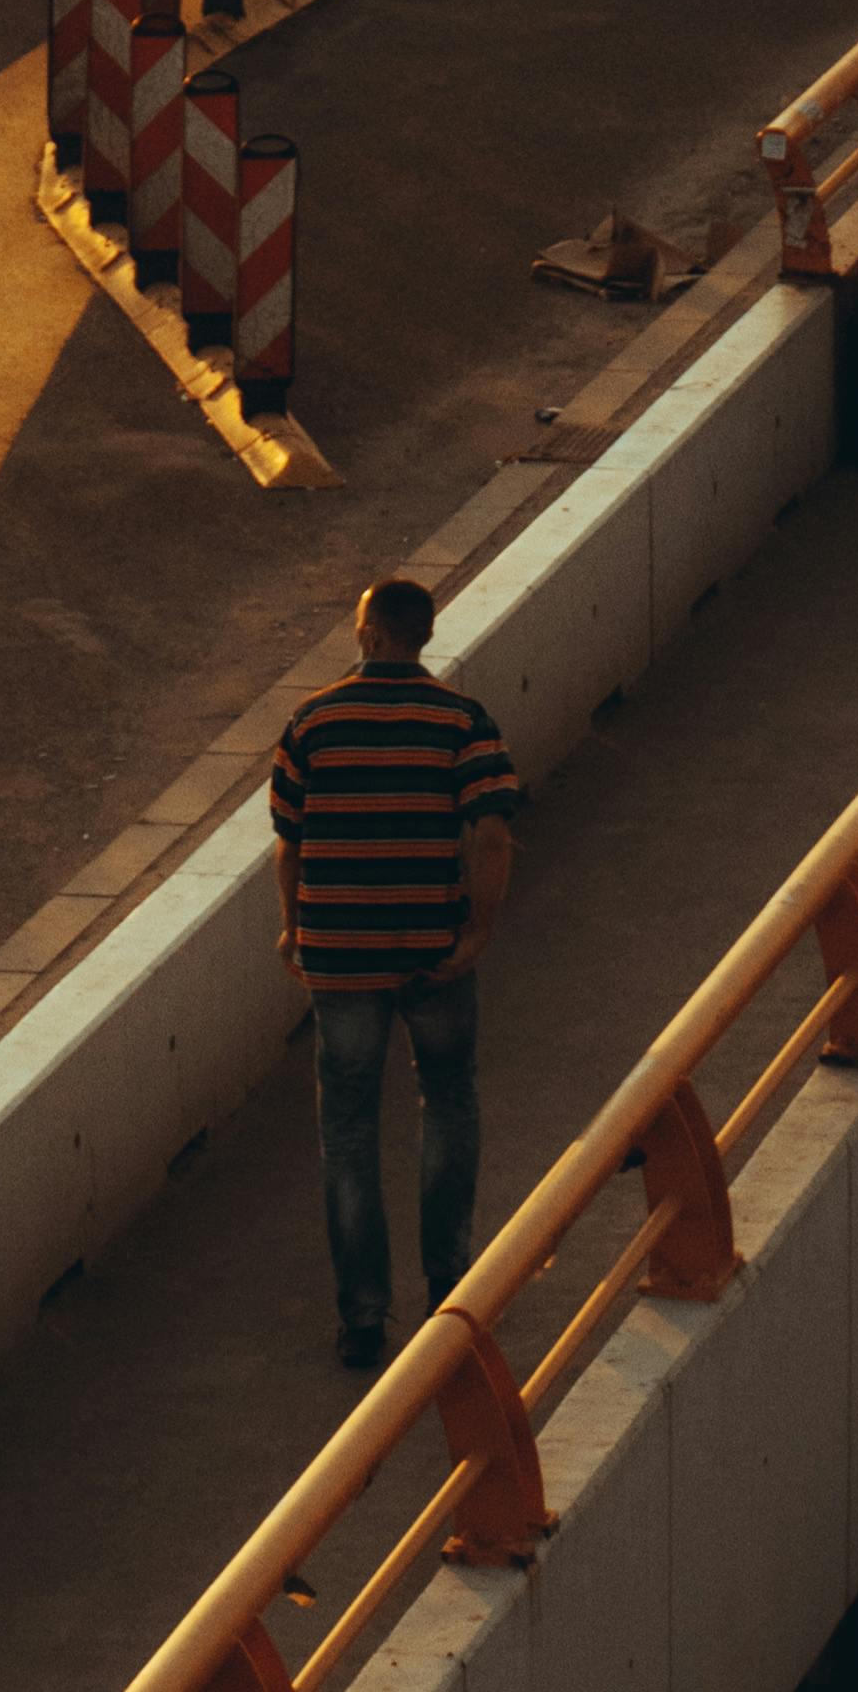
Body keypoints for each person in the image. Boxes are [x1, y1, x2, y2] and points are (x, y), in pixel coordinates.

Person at [270, 574, 523, 1370]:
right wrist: (478, 929)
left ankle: (363, 1319)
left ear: (373, 634)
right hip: (432, 949)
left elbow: (291, 841)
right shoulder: (463, 722)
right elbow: (491, 834)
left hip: (341, 957)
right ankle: (449, 1287)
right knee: (447, 1102)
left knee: (348, 1129)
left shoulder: (311, 722)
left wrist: (293, 930)